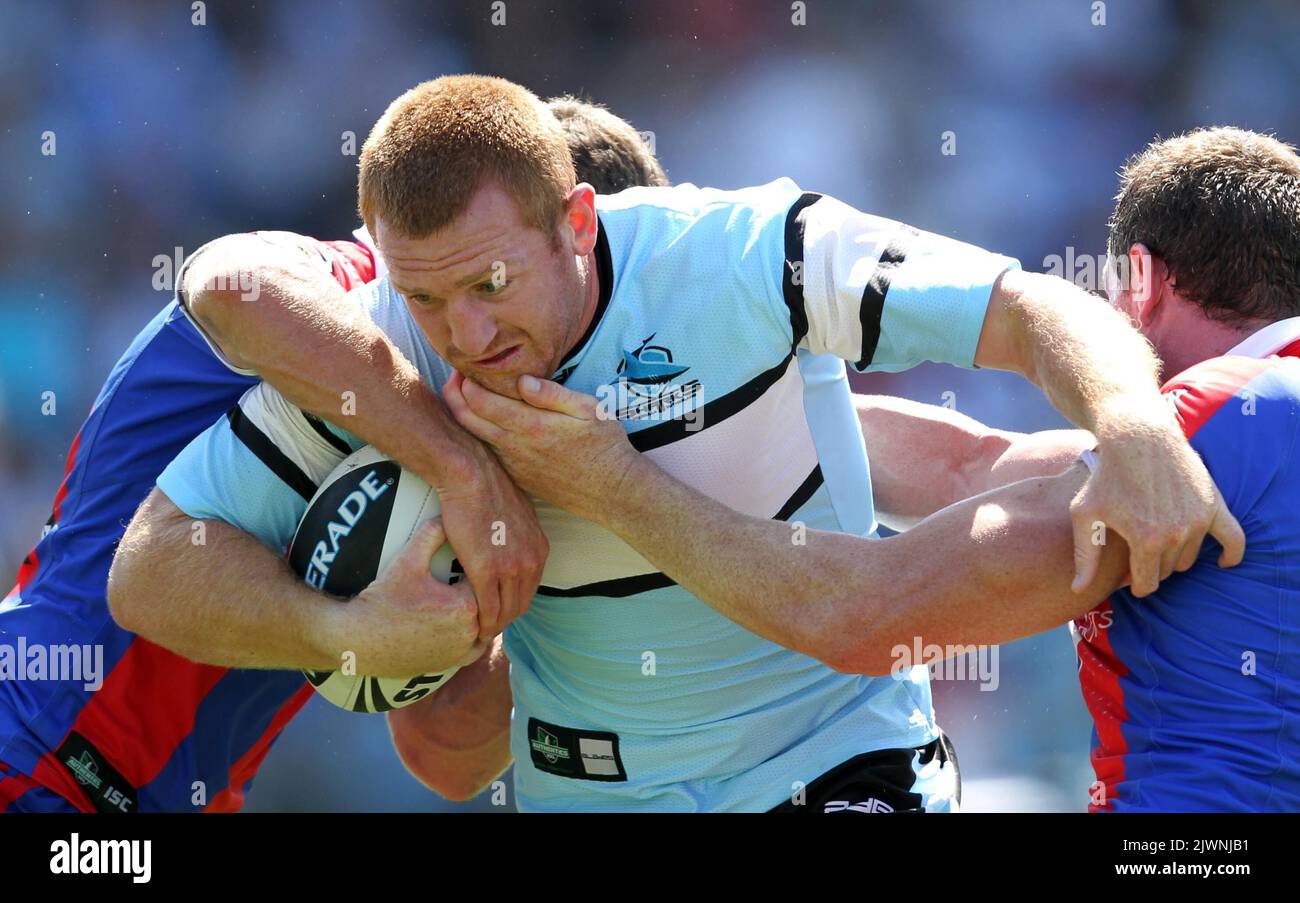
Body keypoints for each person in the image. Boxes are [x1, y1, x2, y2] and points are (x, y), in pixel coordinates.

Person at [122, 74, 1239, 813]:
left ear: (577, 222)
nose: (465, 331)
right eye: (426, 294)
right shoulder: (379, 355)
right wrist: (350, 627)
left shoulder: (744, 254)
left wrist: (1135, 427)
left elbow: (1027, 306)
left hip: (835, 771)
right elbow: (151, 569)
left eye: (491, 283)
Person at [463, 127, 1292, 812]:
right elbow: (978, 467)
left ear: (1138, 282)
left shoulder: (1190, 435)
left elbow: (867, 616)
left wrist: (611, 484)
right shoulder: (1259, 417)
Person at [0, 97, 658, 813]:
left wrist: (579, 559)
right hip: (34, 748)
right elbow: (227, 281)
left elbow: (442, 755)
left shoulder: (502, 417)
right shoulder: (344, 290)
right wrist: (460, 471)